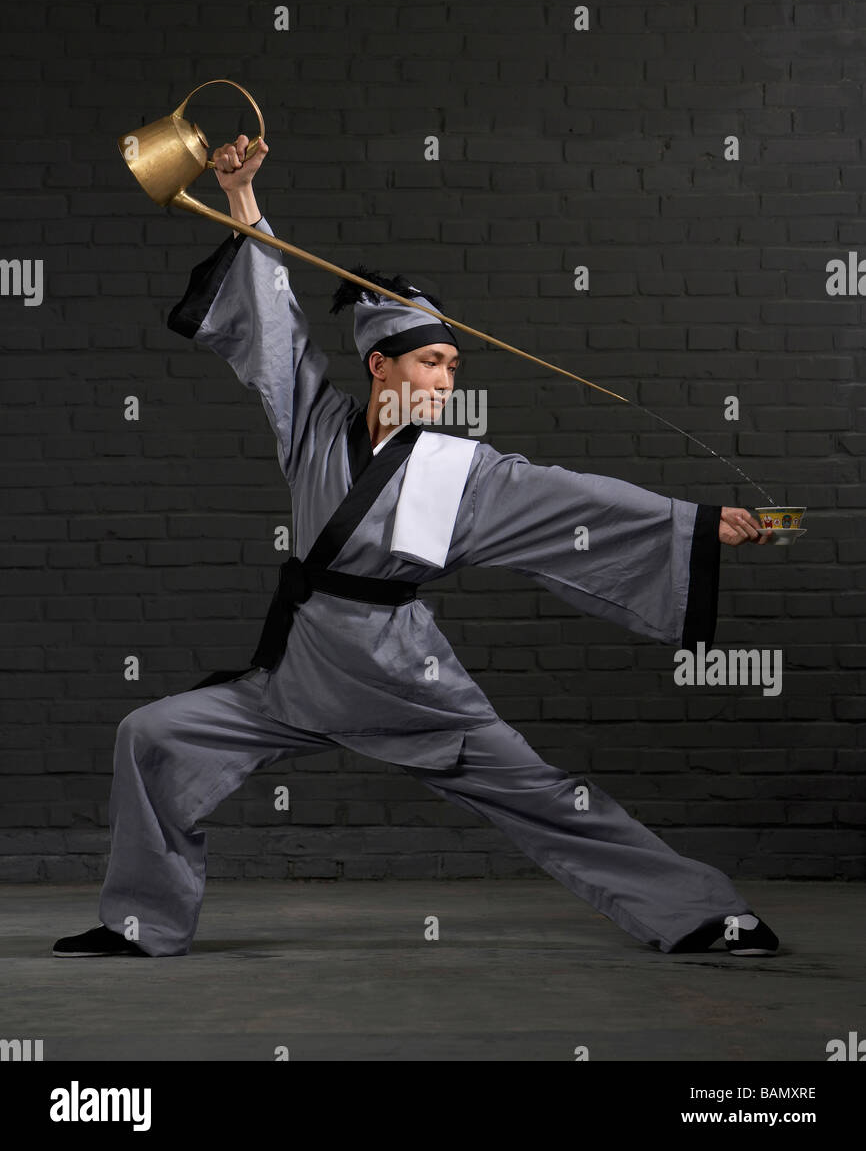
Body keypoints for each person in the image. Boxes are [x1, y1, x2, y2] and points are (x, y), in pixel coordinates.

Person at [54, 134, 779, 960]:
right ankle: (141, 924)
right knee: (151, 734)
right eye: (431, 362)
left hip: (406, 686)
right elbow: (277, 326)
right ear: (380, 366)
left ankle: (700, 912)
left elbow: (571, 498)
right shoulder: (314, 425)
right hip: (298, 677)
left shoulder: (461, 472)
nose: (445, 381)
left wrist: (696, 518)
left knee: (547, 797)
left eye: (453, 367)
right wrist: (243, 199)